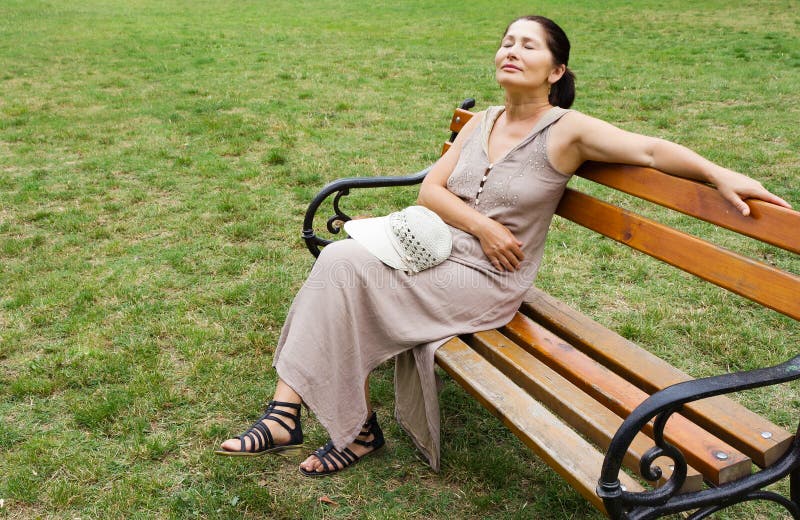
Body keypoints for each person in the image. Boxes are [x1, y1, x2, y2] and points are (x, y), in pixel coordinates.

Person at [216, 15, 792, 476]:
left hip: (489, 283)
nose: (512, 51)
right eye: (506, 42)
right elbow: (432, 191)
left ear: (555, 69)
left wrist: (719, 174)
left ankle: (320, 420)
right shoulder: (482, 120)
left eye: (529, 46)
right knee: (343, 264)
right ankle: (307, 415)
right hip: (442, 253)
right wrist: (486, 226)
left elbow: (649, 151)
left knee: (345, 270)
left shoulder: (567, 129)